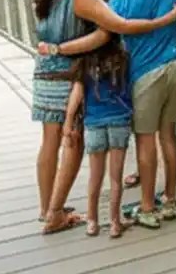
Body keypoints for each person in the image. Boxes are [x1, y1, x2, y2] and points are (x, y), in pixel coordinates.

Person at [43, 0, 176, 230]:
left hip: (146, 75)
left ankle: (147, 207)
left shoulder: (121, 0)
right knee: (169, 136)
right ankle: (171, 199)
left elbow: (110, 31)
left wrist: (59, 49)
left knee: (144, 138)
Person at [64, 30, 133, 238]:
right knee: (115, 177)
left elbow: (77, 93)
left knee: (95, 176)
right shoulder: (123, 56)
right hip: (119, 118)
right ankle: (114, 222)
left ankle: (92, 222)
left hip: (94, 122)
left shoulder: (85, 60)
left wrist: (68, 122)